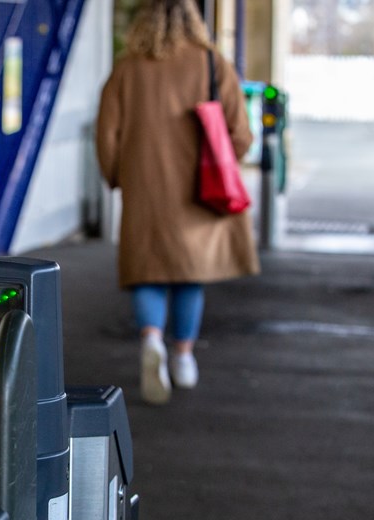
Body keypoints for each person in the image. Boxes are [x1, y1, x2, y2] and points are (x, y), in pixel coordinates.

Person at [95, 0, 259, 404]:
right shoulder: (211, 64)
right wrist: (221, 161)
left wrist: (119, 176)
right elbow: (240, 132)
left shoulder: (126, 69)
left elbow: (107, 135)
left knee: (147, 270)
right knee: (189, 274)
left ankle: (152, 340)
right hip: (198, 187)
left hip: (145, 186)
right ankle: (184, 356)